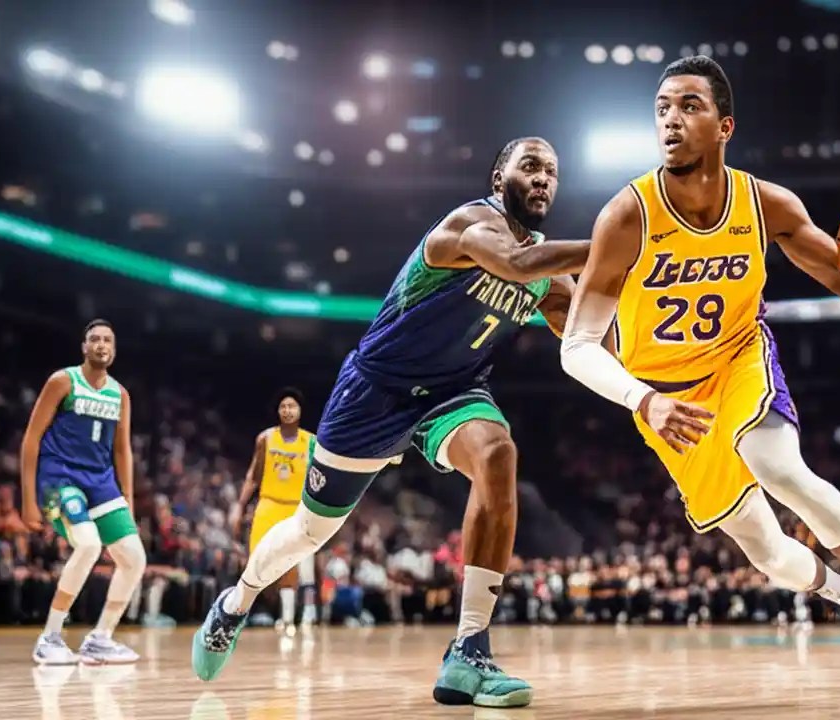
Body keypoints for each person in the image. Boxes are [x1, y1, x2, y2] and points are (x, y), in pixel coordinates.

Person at [558, 55, 840, 659]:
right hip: (663, 395)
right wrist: (643, 400)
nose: (671, 120)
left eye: (689, 106)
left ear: (726, 127)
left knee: (779, 467)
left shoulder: (766, 205)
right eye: (662, 109)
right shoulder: (627, 216)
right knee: (768, 552)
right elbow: (576, 348)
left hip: (738, 358)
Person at [193, 137, 591, 708]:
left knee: (499, 455)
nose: (543, 179)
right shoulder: (469, 223)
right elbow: (516, 263)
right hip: (377, 391)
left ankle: (469, 651)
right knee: (311, 531)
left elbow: (584, 335)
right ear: (499, 174)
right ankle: (237, 601)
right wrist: (615, 244)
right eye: (530, 166)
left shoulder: (553, 278)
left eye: (552, 171)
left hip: (454, 394)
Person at [20, 319, 148, 664]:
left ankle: (101, 638)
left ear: (115, 349)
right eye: (94, 339)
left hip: (101, 482)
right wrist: (28, 500)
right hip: (59, 477)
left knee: (135, 559)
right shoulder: (63, 381)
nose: (101, 345)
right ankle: (50, 636)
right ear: (84, 347)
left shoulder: (120, 393)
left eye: (108, 340)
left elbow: (123, 451)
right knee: (89, 544)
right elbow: (31, 438)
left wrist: (128, 500)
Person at [228, 388, 317, 634]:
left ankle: (287, 618)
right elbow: (252, 477)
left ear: (300, 411)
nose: (287, 410)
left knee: (290, 564)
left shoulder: (311, 442)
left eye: (292, 406)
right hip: (268, 504)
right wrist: (239, 506)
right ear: (278, 411)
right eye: (283, 406)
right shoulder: (265, 438)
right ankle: (238, 614)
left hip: (295, 508)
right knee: (255, 561)